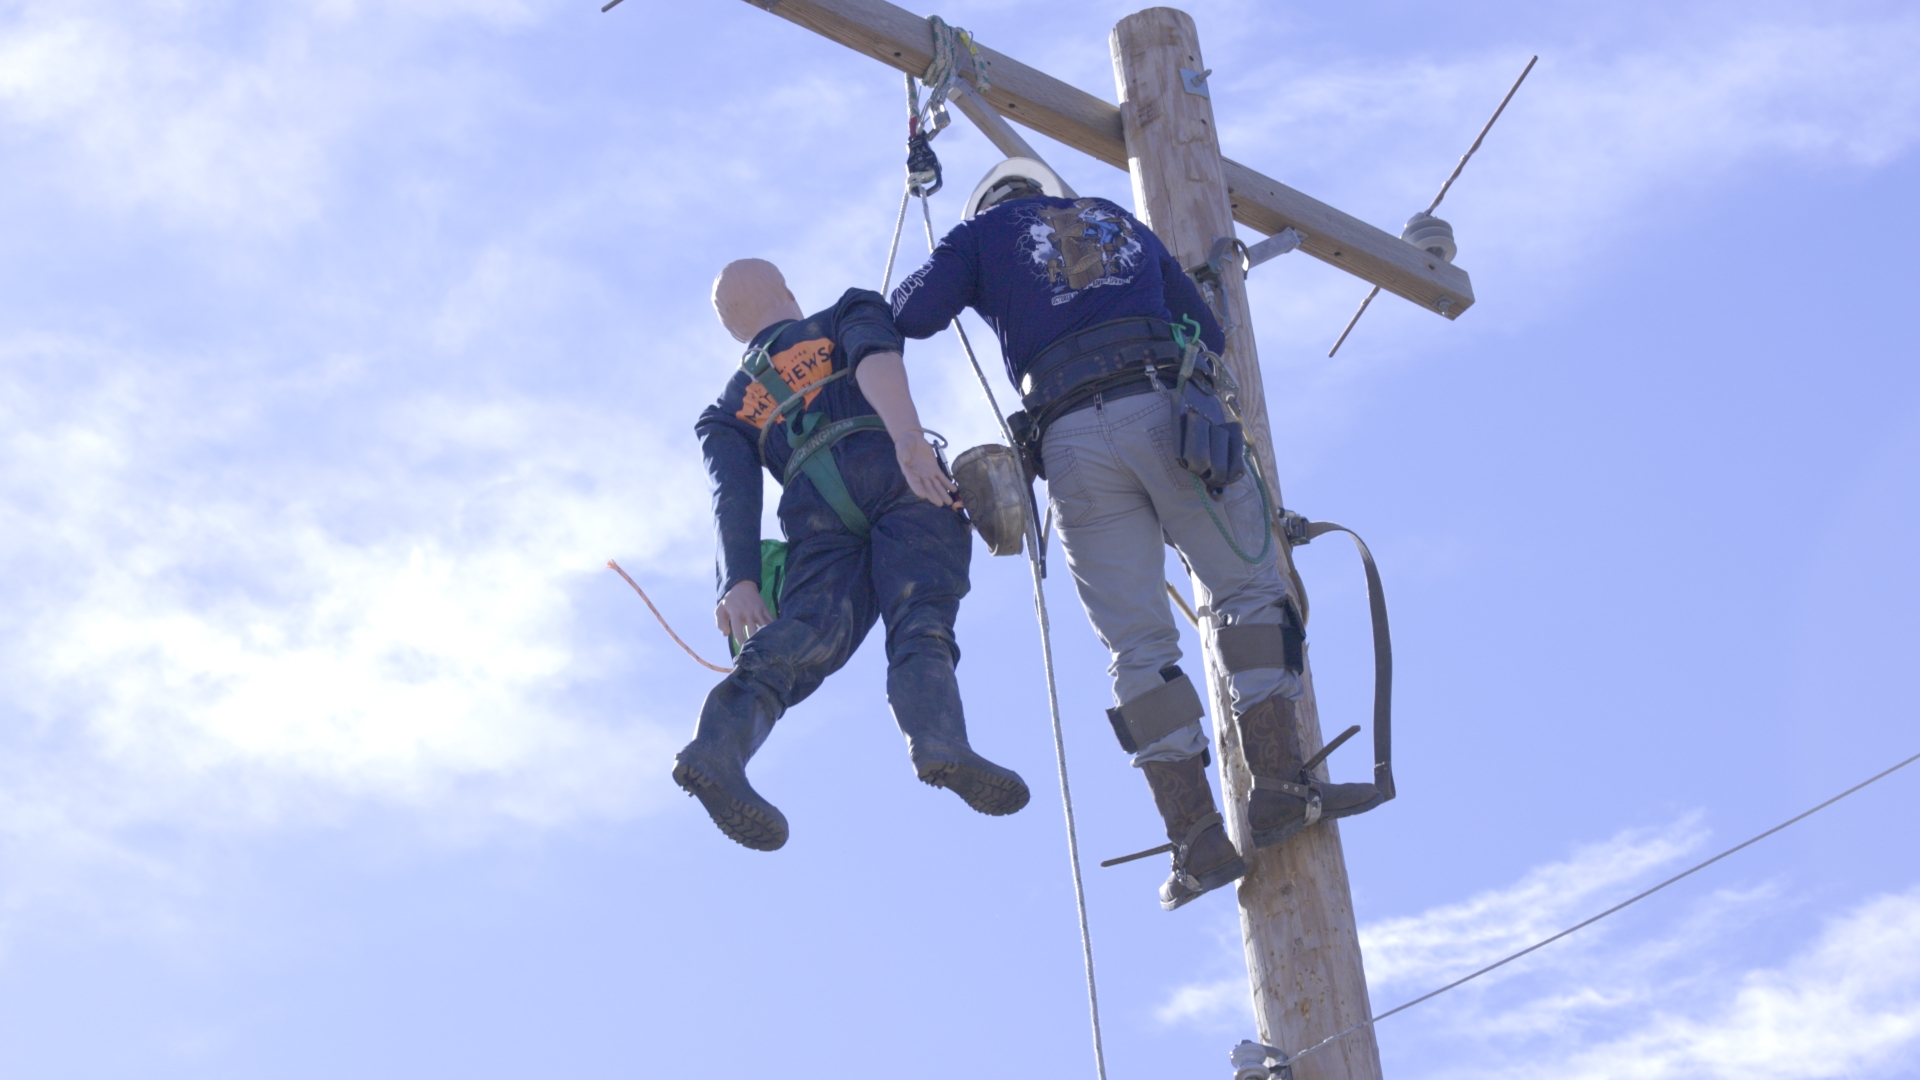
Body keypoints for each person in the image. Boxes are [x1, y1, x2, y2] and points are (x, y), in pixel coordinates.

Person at [890, 160, 1378, 910]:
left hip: (1071, 445)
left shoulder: (978, 236)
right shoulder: (1114, 216)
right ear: (1044, 193)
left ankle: (1197, 839)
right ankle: (1280, 787)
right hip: (1165, 409)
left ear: (988, 205)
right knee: (1247, 592)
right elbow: (1207, 330)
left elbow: (911, 313)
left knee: (1138, 647)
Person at [675, 258, 1029, 851]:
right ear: (786, 290)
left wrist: (737, 580)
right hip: (892, 474)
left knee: (807, 634)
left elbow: (731, 493)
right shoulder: (847, 311)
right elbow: (875, 361)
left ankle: (717, 747)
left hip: (816, 516)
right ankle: (938, 738)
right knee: (921, 613)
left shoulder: (727, 409)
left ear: (734, 330)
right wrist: (909, 439)